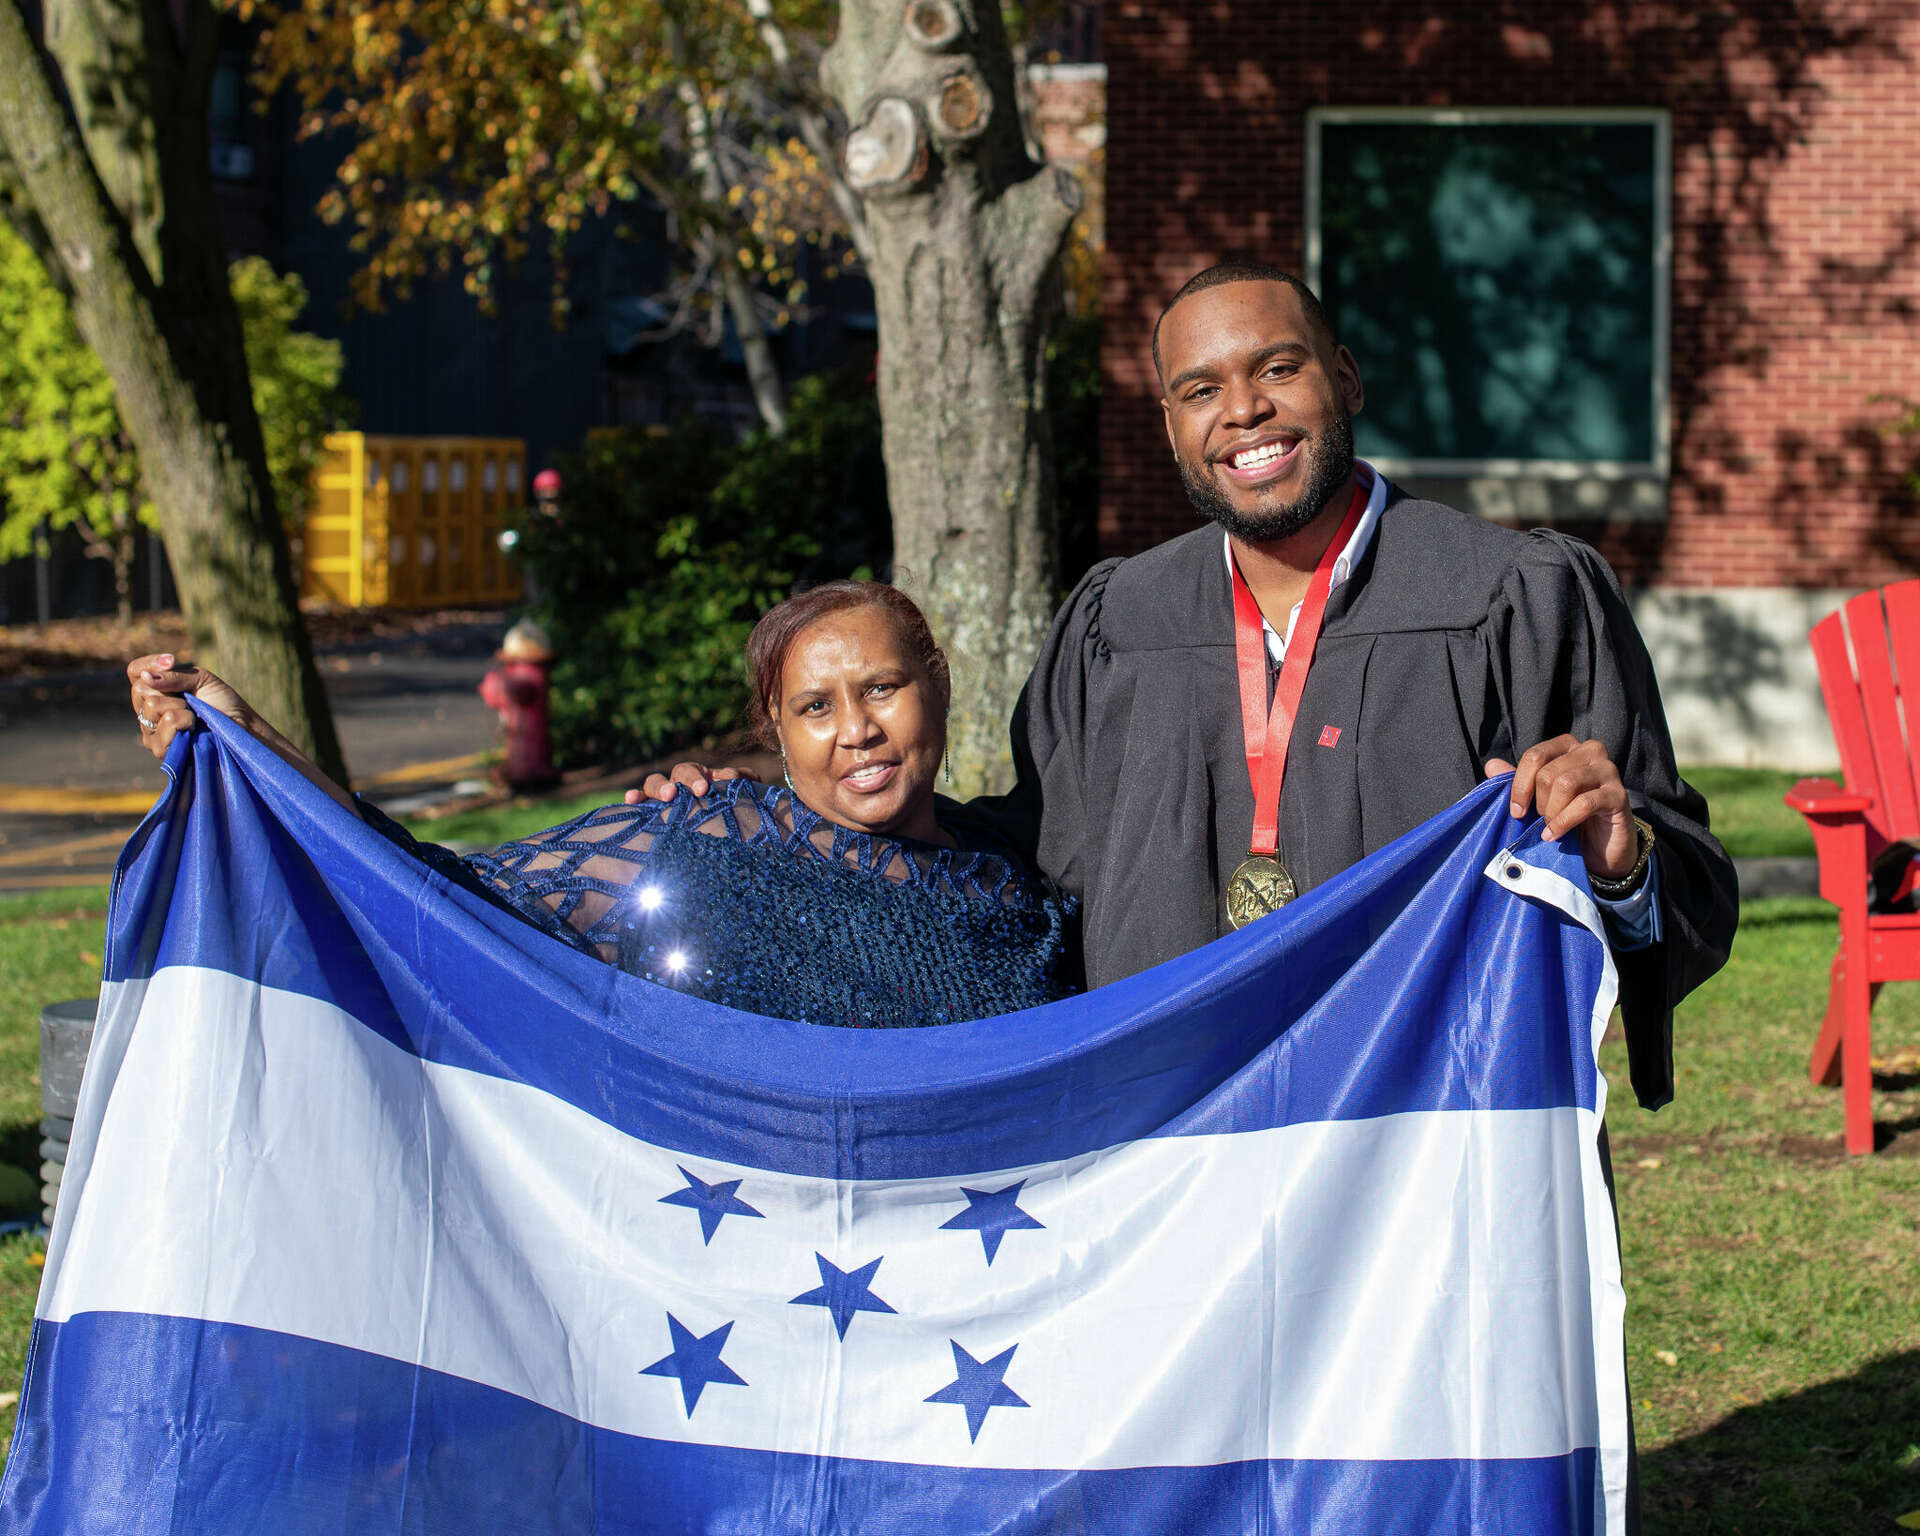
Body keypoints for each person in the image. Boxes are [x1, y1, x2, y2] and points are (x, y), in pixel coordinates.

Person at [640, 261, 1738, 1112]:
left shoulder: (1511, 596)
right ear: (1169, 425)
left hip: (1426, 1148)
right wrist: (759, 826)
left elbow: (1685, 889)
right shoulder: (1118, 625)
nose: (1243, 410)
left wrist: (1621, 859)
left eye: (1278, 369)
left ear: (1346, 378)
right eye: (1200, 389)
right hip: (1176, 1165)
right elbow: (1032, 872)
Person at [125, 581, 1076, 1029]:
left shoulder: (1019, 852)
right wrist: (248, 738)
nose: (857, 730)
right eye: (815, 708)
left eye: (882, 689)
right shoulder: (709, 838)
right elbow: (430, 892)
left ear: (937, 687)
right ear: (777, 734)